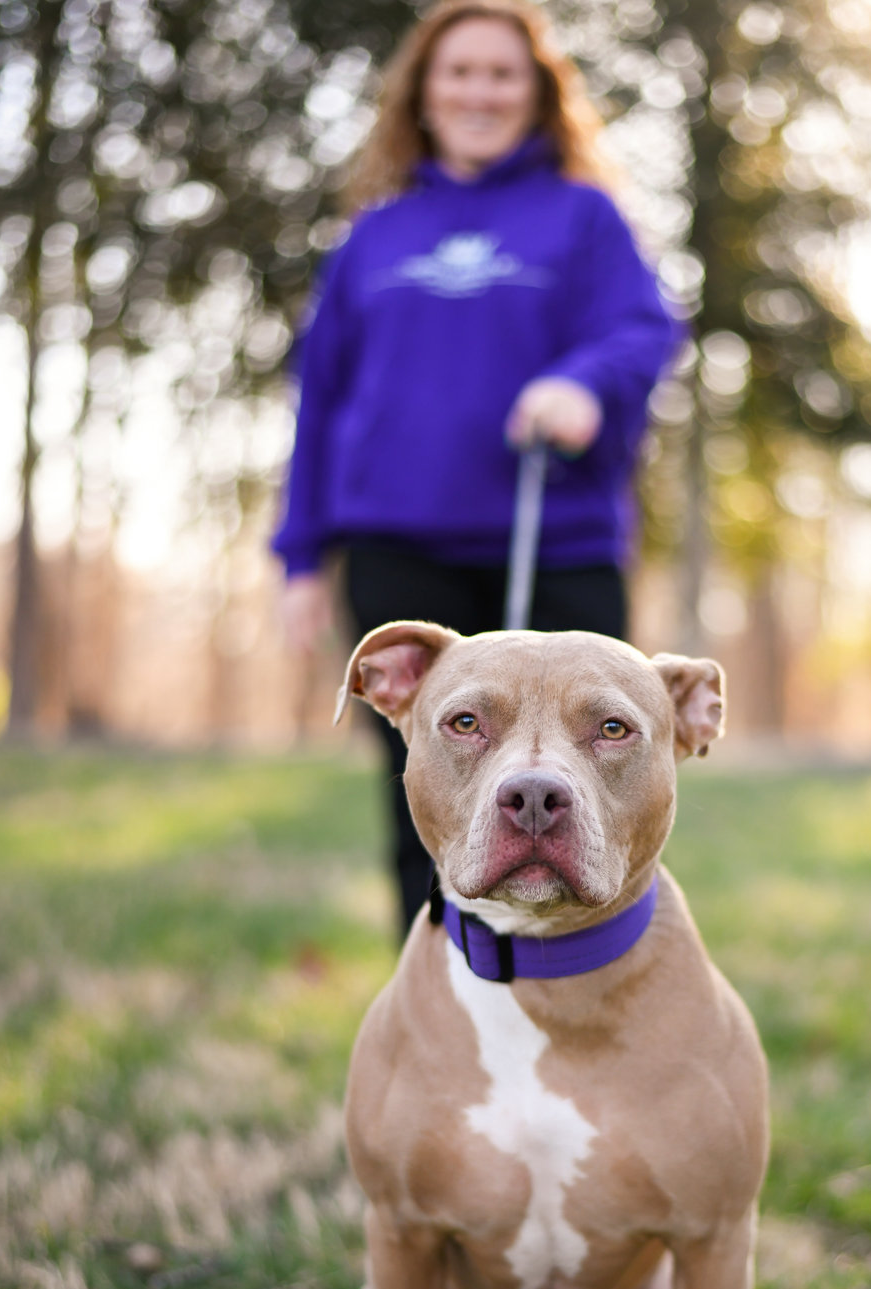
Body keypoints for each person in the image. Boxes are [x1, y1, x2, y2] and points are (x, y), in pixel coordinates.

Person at [273, 0, 679, 933]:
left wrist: (583, 381)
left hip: (557, 538)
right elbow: (323, 400)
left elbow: (642, 329)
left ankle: (598, 1008)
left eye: (503, 73)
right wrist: (301, 557)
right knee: (422, 788)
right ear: (422, 92)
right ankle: (438, 1014)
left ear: (537, 94)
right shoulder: (374, 238)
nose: (479, 92)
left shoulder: (583, 218)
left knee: (592, 782)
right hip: (398, 544)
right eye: (458, 72)